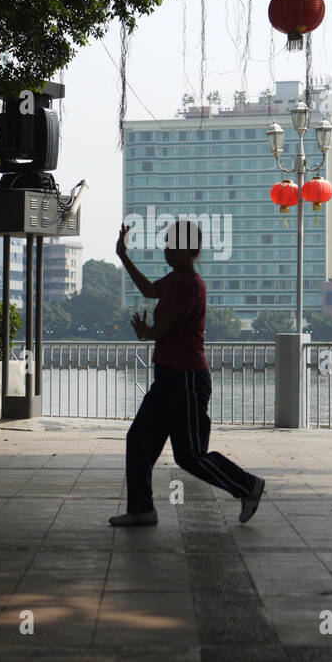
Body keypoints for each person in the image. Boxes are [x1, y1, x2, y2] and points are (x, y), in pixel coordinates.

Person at [110, 218, 265, 527]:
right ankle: (141, 509)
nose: (168, 251)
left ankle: (248, 486)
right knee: (139, 440)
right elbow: (149, 289)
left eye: (175, 246)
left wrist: (146, 332)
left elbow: (162, 329)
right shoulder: (174, 281)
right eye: (167, 245)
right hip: (167, 378)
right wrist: (123, 256)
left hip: (186, 381)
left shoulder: (190, 285)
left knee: (190, 455)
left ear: (191, 250)